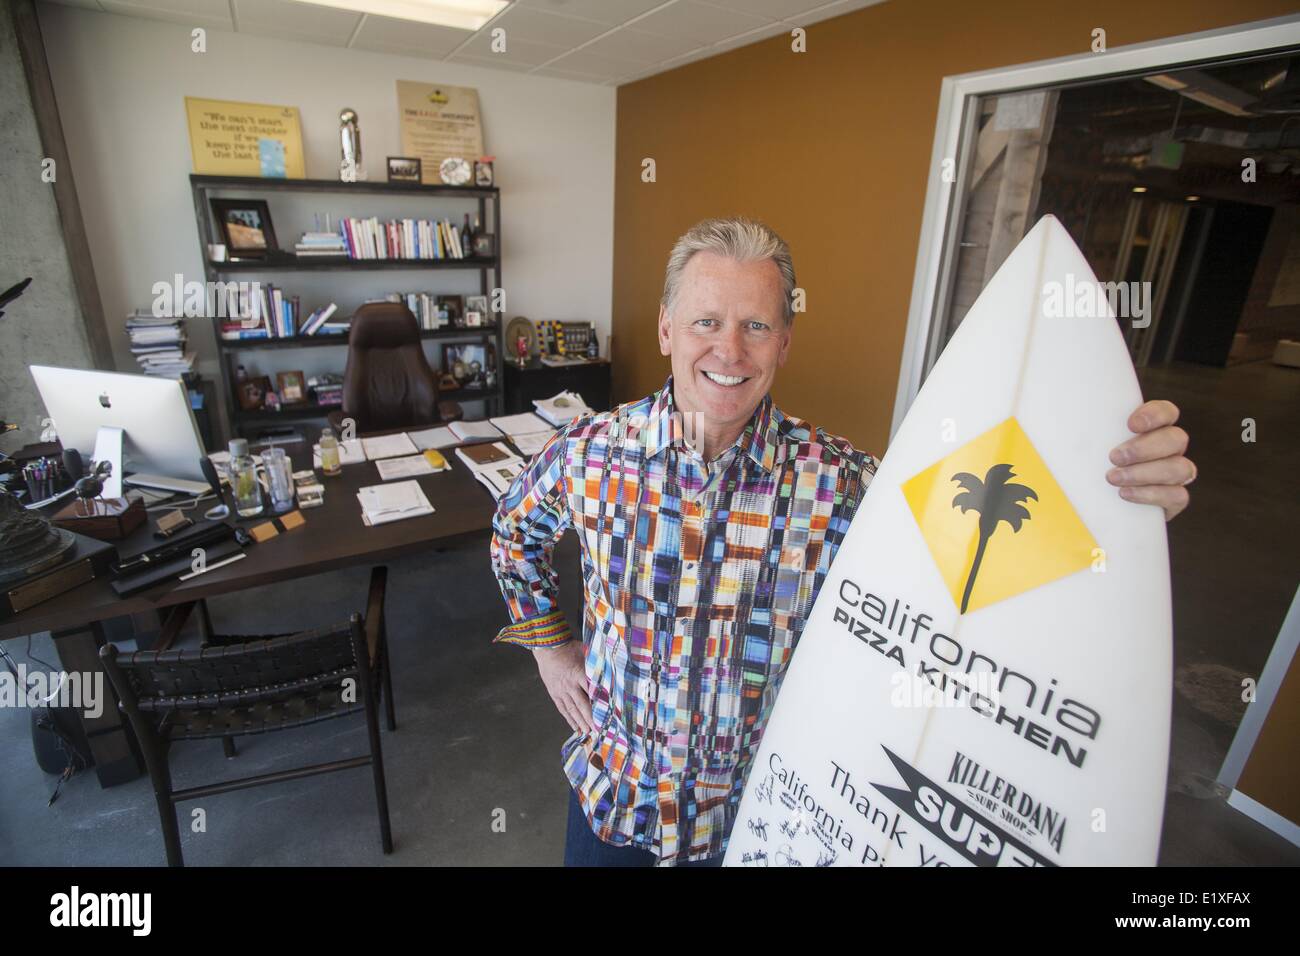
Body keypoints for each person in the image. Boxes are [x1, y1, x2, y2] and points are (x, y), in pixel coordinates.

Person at [489, 217, 1196, 867]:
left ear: (786, 343)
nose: (729, 350)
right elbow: (512, 532)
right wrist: (552, 649)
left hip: (761, 821)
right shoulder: (587, 453)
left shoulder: (848, 483)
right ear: (668, 328)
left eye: (757, 326)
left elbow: (986, 554)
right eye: (706, 320)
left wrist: (1116, 501)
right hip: (616, 808)